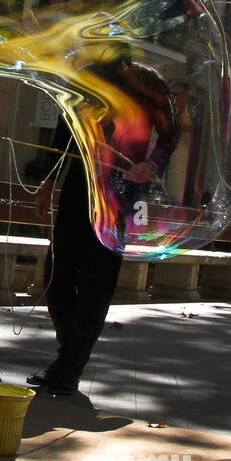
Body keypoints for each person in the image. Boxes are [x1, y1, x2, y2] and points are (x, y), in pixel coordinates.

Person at [29, 59, 176, 394]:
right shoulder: (89, 75)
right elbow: (66, 131)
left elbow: (170, 136)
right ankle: (68, 359)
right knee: (57, 276)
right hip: (81, 184)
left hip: (121, 191)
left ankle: (70, 367)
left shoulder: (149, 80)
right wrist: (49, 181)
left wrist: (151, 163)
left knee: (97, 282)